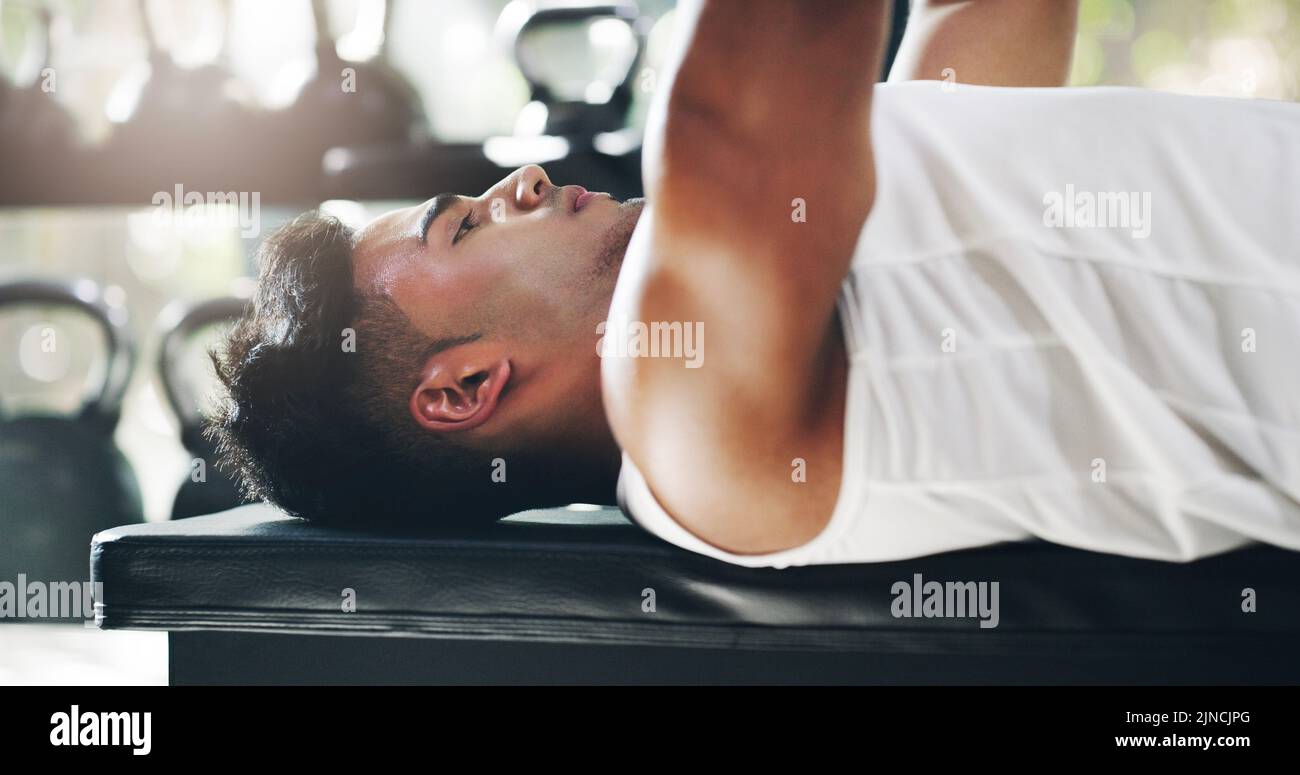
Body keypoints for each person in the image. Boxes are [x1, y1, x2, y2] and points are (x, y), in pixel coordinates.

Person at [210, 0, 1300, 567]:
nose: (522, 183)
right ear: (462, 389)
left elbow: (983, 29)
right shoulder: (687, 433)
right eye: (463, 224)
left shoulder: (804, 248)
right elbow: (745, 91)